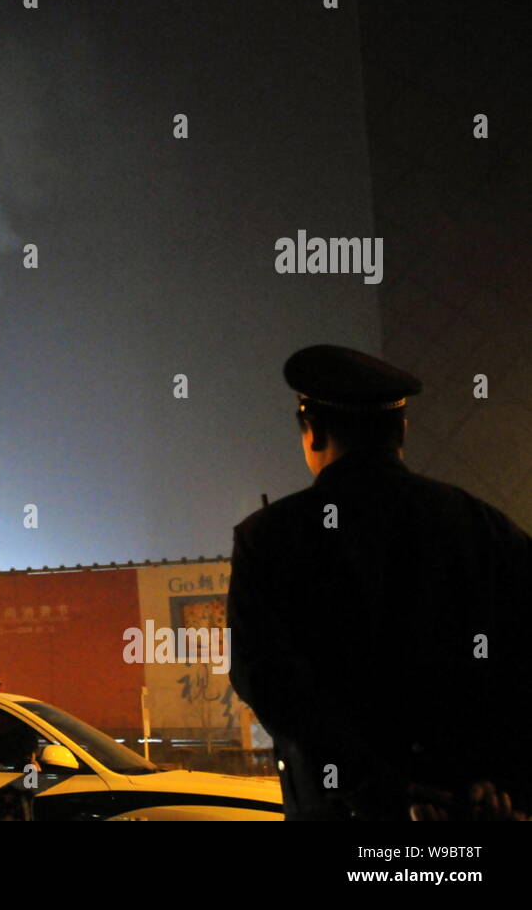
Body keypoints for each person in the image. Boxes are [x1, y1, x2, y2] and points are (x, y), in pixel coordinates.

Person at [227, 345, 532, 820]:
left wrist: (373, 784)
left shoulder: (269, 538)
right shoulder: (487, 528)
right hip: (472, 810)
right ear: (401, 430)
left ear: (315, 429)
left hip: (341, 809)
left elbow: (267, 680)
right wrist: (499, 782)